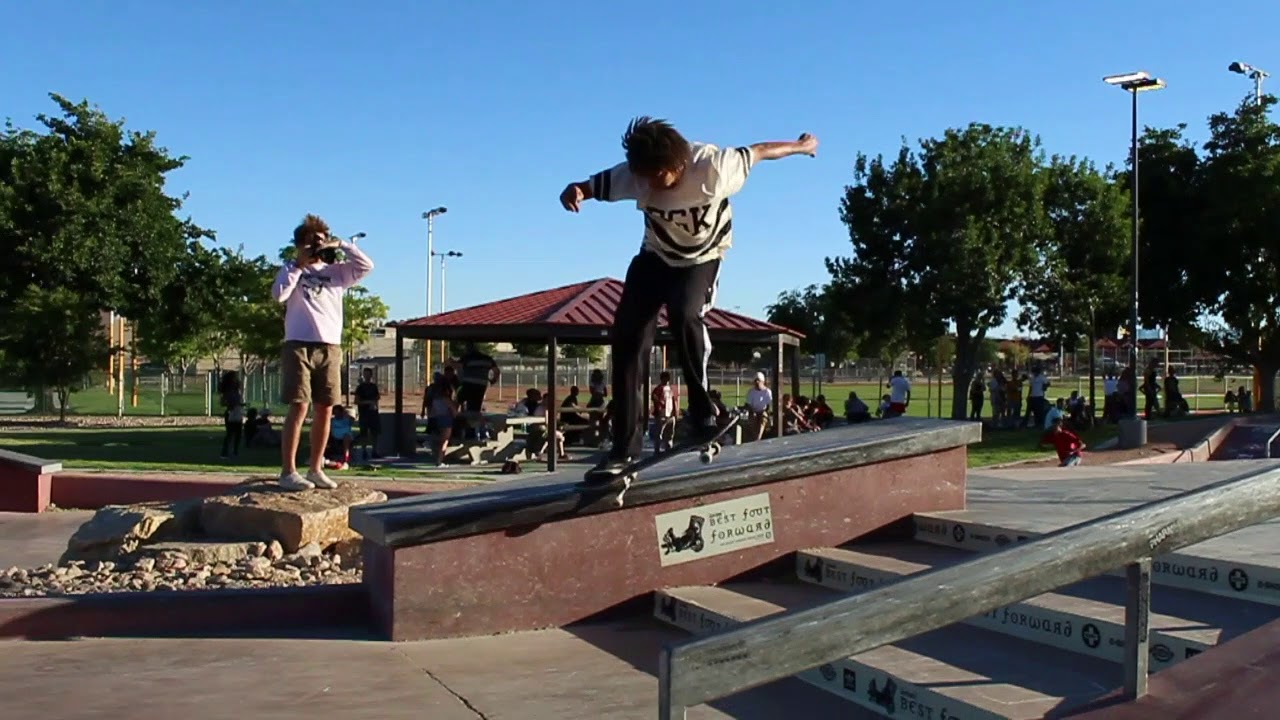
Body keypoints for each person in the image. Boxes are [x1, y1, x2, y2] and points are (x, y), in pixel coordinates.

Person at [562, 117, 817, 482]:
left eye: (657, 178)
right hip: (655, 257)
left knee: (684, 313)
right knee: (627, 337)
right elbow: (590, 186)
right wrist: (575, 191)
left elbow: (760, 151)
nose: (649, 186)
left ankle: (703, 415)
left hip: (702, 259)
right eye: (643, 179)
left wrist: (800, 146)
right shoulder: (633, 175)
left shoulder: (715, 166)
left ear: (678, 165)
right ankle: (623, 448)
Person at [272, 214, 374, 491]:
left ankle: (316, 468)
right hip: (299, 345)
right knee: (299, 406)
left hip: (330, 346)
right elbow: (279, 294)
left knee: (326, 408)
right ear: (299, 244)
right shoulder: (292, 270)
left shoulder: (338, 272)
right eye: (311, 241)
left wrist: (342, 244)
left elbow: (367, 265)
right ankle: (288, 471)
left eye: (320, 240)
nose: (317, 246)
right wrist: (297, 263)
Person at [353, 367, 382, 459]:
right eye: (365, 374)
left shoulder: (374, 387)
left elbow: (377, 398)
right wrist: (368, 402)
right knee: (363, 433)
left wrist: (375, 406)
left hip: (373, 413)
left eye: (368, 374)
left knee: (375, 433)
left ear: (371, 375)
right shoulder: (360, 387)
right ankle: (364, 450)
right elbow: (356, 401)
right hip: (364, 413)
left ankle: (374, 450)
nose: (367, 376)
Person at [219, 370, 245, 460]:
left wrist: (240, 405)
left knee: (238, 433)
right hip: (231, 412)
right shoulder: (227, 391)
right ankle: (225, 452)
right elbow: (223, 402)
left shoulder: (236, 391)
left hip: (237, 411)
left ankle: (235, 452)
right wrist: (231, 405)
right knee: (230, 433)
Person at [326, 405, 355, 470]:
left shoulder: (347, 419)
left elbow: (353, 419)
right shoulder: (332, 420)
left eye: (338, 412)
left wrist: (346, 414)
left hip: (346, 436)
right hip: (335, 437)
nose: (337, 414)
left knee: (346, 437)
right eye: (335, 413)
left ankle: (346, 459)